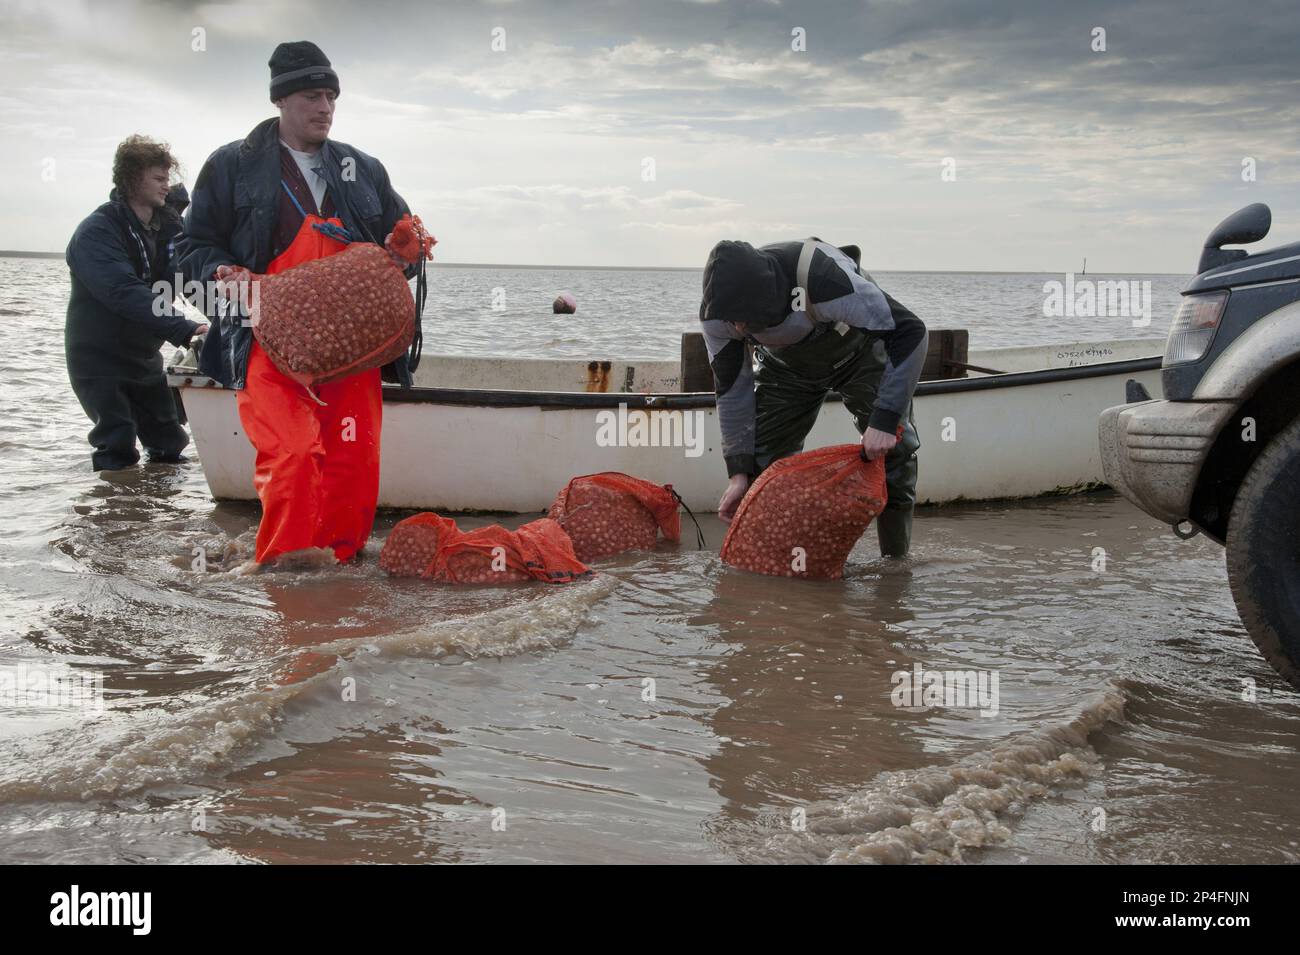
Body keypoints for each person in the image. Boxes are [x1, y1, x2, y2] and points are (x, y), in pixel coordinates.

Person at [176, 40, 420, 566]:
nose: (325, 107)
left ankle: (338, 572)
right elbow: (188, 247)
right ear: (281, 101)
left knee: (353, 460)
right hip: (267, 337)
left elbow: (399, 244)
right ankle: (283, 574)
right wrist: (218, 272)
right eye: (312, 95)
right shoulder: (231, 166)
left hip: (352, 346)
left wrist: (407, 249)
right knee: (292, 454)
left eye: (331, 96)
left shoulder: (362, 167)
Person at [699, 237, 926, 557]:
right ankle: (778, 565)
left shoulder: (823, 279)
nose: (737, 326)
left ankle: (894, 563)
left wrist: (886, 419)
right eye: (730, 320)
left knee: (895, 453)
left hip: (860, 356)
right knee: (758, 472)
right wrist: (737, 471)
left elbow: (911, 332)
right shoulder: (716, 315)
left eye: (744, 318)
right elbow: (733, 392)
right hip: (787, 371)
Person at [64, 135, 207, 471]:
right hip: (97, 359)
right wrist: (185, 329)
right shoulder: (97, 232)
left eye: (167, 178)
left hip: (143, 357)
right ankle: (112, 516)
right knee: (116, 440)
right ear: (132, 179)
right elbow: (124, 291)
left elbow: (183, 282)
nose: (165, 186)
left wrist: (235, 316)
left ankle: (159, 517)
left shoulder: (163, 230)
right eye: (157, 178)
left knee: (169, 440)